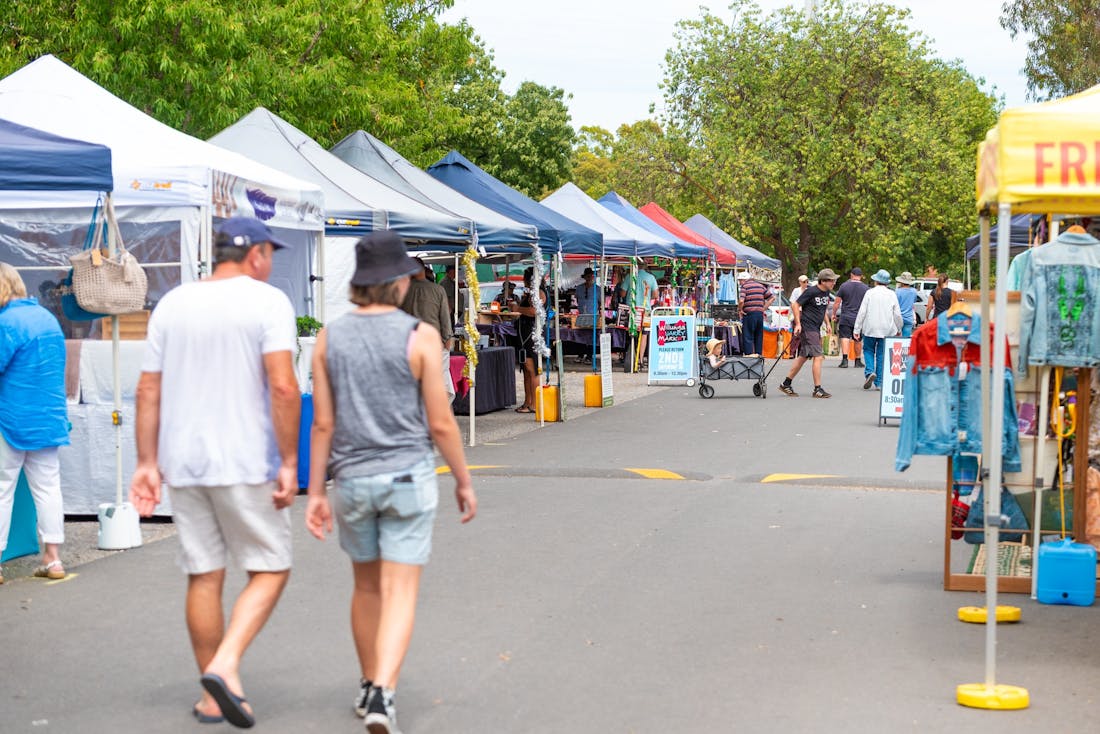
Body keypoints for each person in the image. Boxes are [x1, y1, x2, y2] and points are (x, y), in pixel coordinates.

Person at [129, 217, 302, 728]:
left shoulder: (173, 302)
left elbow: (147, 390)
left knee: (204, 572)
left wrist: (146, 462)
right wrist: (291, 461)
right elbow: (284, 387)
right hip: (245, 458)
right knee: (270, 566)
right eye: (270, 253)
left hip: (184, 461)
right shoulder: (267, 302)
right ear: (255, 255)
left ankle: (212, 696)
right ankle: (225, 666)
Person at [304, 231, 476, 734]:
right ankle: (384, 691)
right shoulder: (419, 336)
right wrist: (463, 479)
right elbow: (440, 421)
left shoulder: (329, 337)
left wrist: (315, 491)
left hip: (352, 479)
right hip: (407, 477)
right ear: (399, 283)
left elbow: (323, 424)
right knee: (400, 590)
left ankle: (366, 681)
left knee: (365, 587)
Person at [0, 263, 68, 584]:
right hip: (49, 418)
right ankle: (53, 559)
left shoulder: (7, 323)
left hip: (12, 419)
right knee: (48, 488)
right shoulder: (48, 319)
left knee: (2, 490)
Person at [400, 259, 456, 404]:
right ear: (424, 270)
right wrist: (447, 344)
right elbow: (445, 320)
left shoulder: (401, 290)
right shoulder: (438, 290)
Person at [778, 268, 838, 398]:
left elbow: (822, 310)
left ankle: (786, 383)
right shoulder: (811, 291)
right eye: (831, 280)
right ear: (823, 281)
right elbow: (795, 304)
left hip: (815, 328)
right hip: (807, 327)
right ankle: (817, 389)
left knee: (803, 357)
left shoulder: (826, 293)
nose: (834, 283)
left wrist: (827, 323)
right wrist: (798, 324)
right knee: (818, 356)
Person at [853, 269, 903, 391]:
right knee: (881, 354)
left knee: (868, 350)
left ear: (876, 281)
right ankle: (879, 383)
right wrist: (899, 328)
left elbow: (862, 312)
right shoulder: (892, 294)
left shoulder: (869, 293)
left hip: (870, 328)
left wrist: (856, 329)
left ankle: (870, 371)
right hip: (887, 329)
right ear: (887, 283)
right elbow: (897, 314)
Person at [511, 266, 547, 413]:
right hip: (523, 333)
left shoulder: (539, 293)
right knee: (526, 369)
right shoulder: (531, 293)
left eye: (525, 278)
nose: (523, 280)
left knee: (532, 370)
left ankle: (535, 404)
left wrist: (518, 309)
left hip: (531, 335)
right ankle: (528, 401)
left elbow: (534, 312)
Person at [831, 267, 867, 368]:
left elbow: (837, 302)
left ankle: (845, 360)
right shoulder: (865, 288)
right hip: (859, 318)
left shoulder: (844, 286)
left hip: (846, 316)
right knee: (858, 339)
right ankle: (858, 360)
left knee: (845, 337)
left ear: (851, 275)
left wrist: (833, 314)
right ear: (861, 276)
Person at [737, 271, 773, 356]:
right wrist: (763, 308)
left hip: (749, 314)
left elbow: (741, 300)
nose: (739, 282)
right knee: (758, 337)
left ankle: (749, 358)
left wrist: (740, 310)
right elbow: (772, 298)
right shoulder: (760, 286)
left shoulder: (744, 286)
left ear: (743, 280)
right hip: (759, 315)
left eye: (740, 280)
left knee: (748, 337)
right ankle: (758, 357)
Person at [895, 271, 918, 337]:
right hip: (909, 318)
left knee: (896, 340)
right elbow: (913, 302)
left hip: (898, 318)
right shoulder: (914, 291)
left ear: (901, 281)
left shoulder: (897, 291)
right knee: (905, 340)